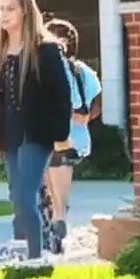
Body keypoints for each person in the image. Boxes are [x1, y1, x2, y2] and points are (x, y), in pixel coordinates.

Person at [0, 0, 73, 264]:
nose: (3, 15)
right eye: (0, 9)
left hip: (36, 132)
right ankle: (28, 247)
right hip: (9, 132)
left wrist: (60, 135)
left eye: (10, 8)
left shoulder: (45, 50)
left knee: (25, 193)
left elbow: (60, 94)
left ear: (25, 11)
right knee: (16, 193)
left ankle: (35, 255)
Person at [42, 18, 102, 246]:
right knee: (55, 181)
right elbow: (97, 100)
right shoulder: (80, 70)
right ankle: (57, 216)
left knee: (53, 178)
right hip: (66, 136)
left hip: (60, 135)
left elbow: (95, 100)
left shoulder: (67, 70)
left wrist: (84, 115)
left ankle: (57, 219)